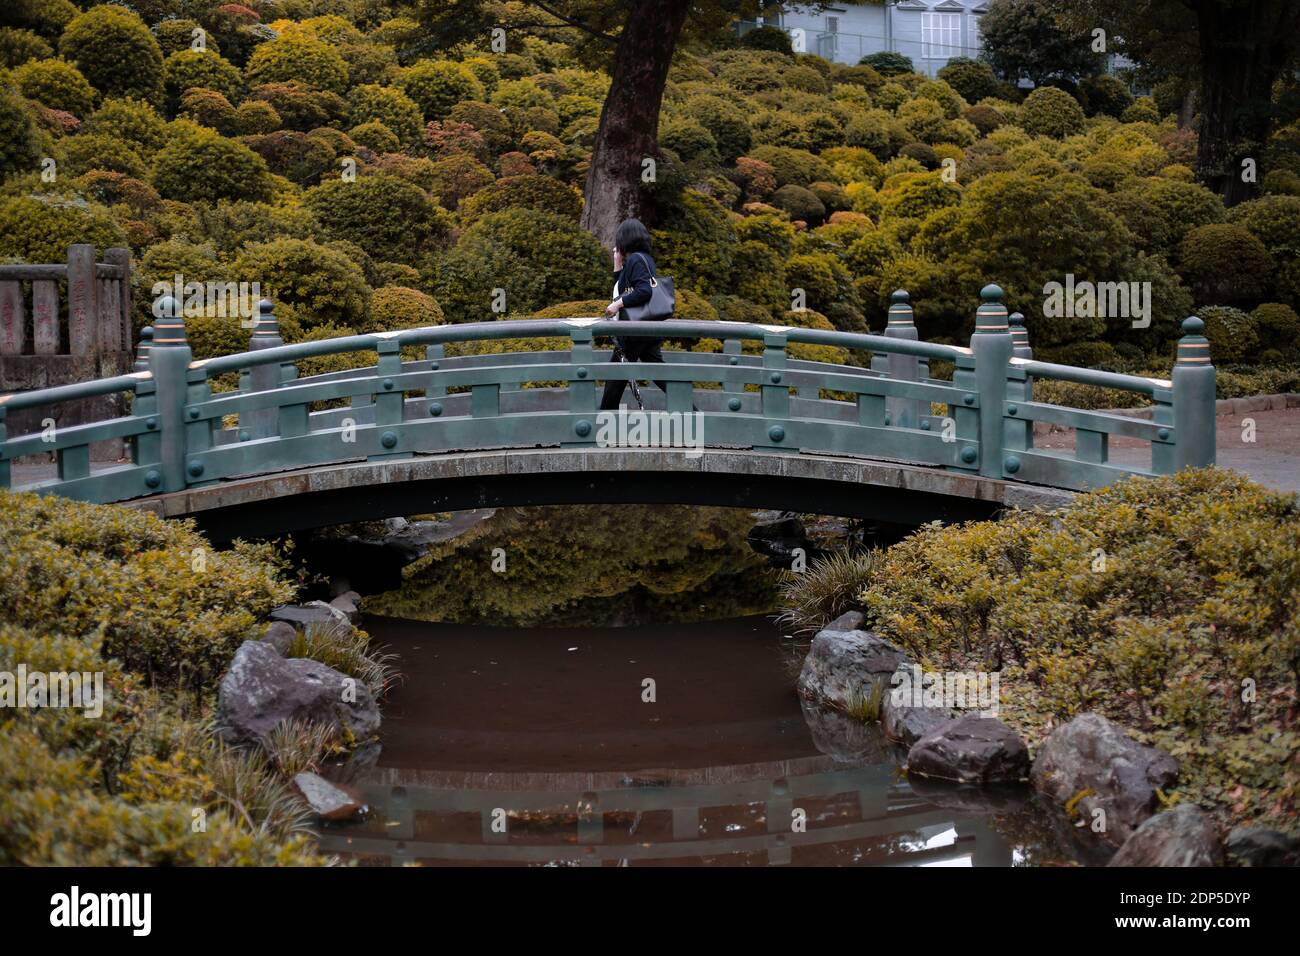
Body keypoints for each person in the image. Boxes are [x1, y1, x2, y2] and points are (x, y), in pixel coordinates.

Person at [600, 218, 670, 411]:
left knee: (615, 377)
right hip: (644, 331)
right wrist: (617, 264)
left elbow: (644, 291)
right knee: (661, 378)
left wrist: (617, 306)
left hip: (635, 332)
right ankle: (694, 413)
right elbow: (620, 289)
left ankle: (602, 425)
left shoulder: (637, 260)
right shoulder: (642, 259)